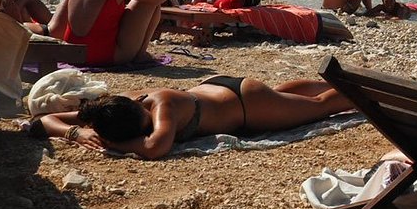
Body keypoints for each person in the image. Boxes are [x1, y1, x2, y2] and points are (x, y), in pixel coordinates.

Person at [31, 75, 356, 158]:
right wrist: (74, 132)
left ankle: (364, 91)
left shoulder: (162, 106)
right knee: (286, 97)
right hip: (227, 92)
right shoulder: (116, 105)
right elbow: (43, 119)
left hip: (247, 105)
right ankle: (338, 80)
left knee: (321, 107)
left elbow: (155, 147)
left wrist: (111, 143)